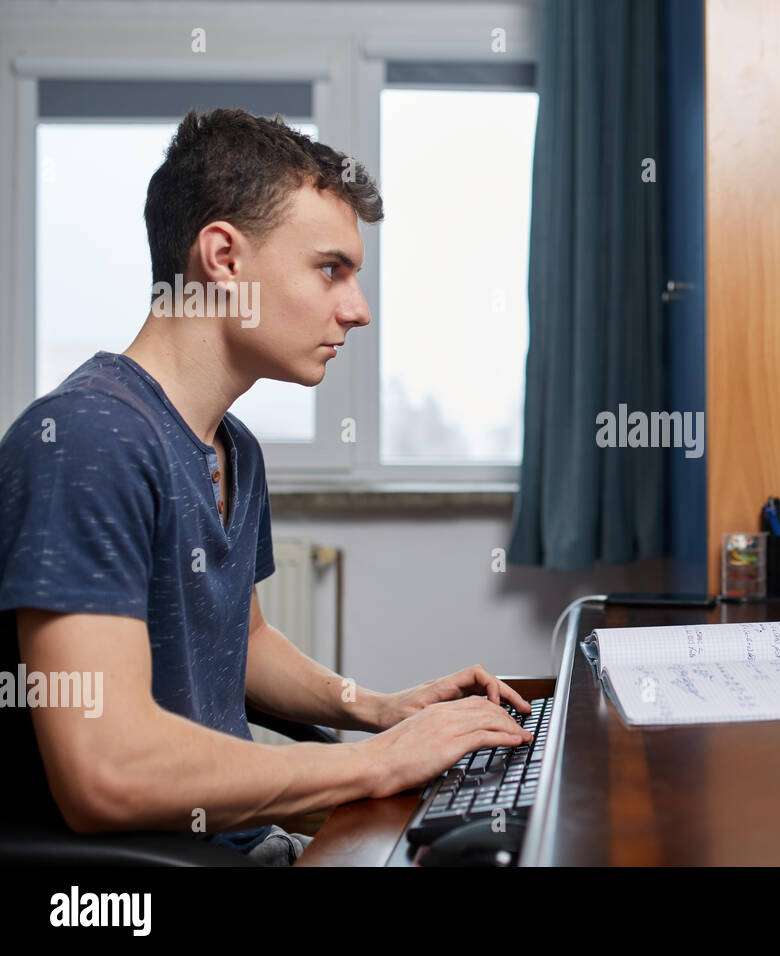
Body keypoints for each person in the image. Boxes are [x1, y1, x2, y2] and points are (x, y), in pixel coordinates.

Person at [0, 108, 531, 865]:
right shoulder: (88, 440)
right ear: (222, 257)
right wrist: (375, 763)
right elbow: (105, 771)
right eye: (329, 269)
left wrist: (378, 709)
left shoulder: (232, 446)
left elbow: (239, 644)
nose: (359, 308)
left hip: (243, 842)